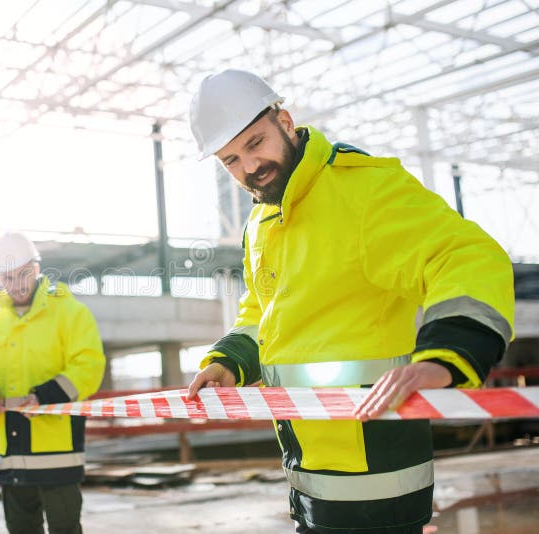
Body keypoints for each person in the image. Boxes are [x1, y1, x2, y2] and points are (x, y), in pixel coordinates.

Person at [186, 69, 514, 533]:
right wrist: (229, 361)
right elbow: (265, 315)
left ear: (285, 120)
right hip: (309, 476)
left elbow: (465, 256)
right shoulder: (261, 224)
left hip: (378, 482)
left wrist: (450, 352)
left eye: (255, 143)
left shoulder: (363, 190)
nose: (249, 167)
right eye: (230, 160)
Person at [0, 231, 106, 534]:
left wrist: (44, 397)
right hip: (12, 456)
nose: (16, 284)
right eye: (7, 277)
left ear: (36, 269)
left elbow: (89, 365)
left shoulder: (70, 312)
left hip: (58, 455)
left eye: (23, 274)